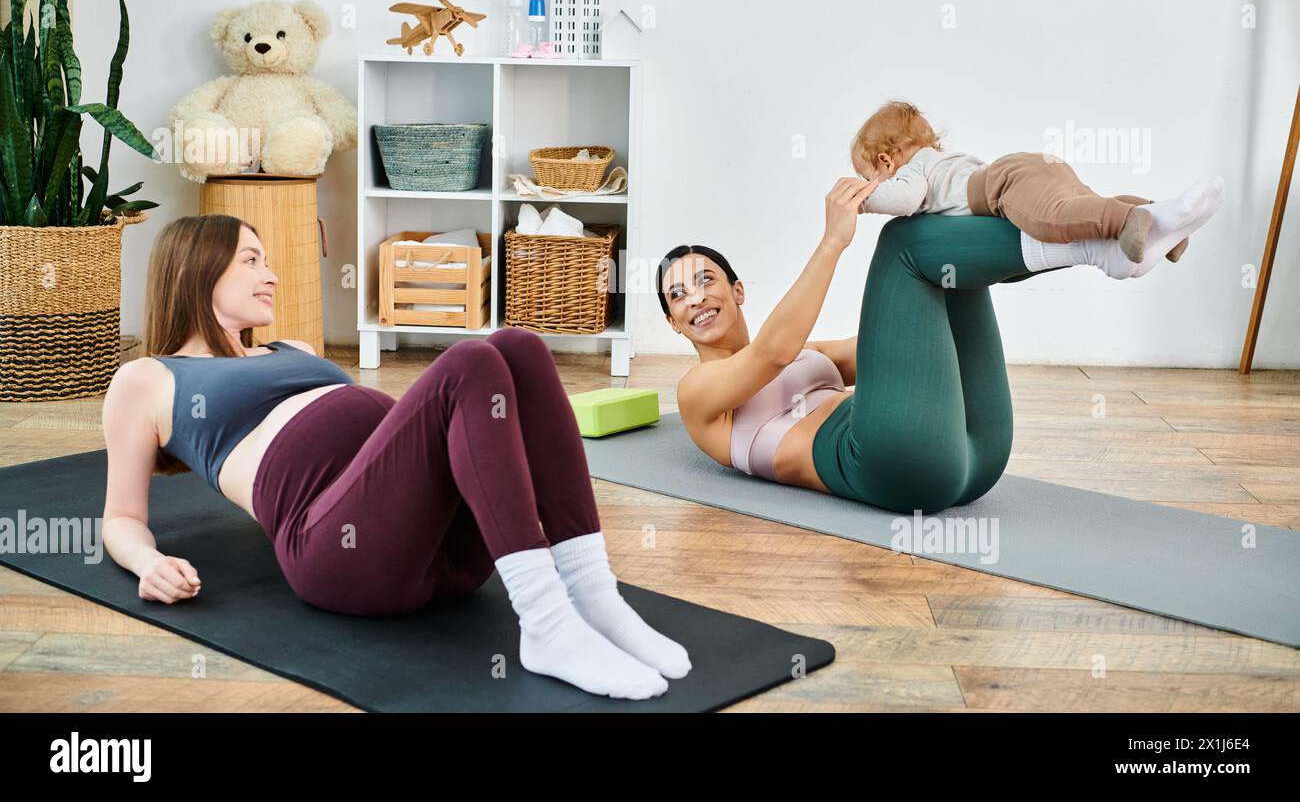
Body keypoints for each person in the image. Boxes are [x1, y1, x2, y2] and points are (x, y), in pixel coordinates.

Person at [101, 213, 689, 700]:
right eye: (251, 260)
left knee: (519, 346)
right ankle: (546, 624)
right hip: (342, 554)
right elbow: (121, 518)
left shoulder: (294, 346)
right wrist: (146, 566)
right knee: (471, 361)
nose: (271, 276)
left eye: (266, 260)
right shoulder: (150, 378)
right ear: (196, 266)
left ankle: (591, 595)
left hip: (444, 551)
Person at [659, 174, 1223, 513]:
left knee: (942, 260)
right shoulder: (699, 392)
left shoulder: (814, 356)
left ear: (737, 290)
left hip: (974, 459)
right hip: (887, 465)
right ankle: (1097, 244)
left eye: (706, 279)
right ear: (674, 325)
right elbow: (771, 354)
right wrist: (834, 240)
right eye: (678, 295)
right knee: (905, 241)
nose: (696, 298)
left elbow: (900, 339)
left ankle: (1116, 226)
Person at [849, 100, 1207, 265]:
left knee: (1051, 222)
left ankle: (1127, 220)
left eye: (871, 177)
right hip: (1033, 167)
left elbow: (905, 200)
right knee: (1082, 204)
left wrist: (861, 200)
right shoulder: (940, 160)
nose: (875, 184)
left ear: (887, 160)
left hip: (1003, 185)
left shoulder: (915, 169)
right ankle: (1156, 215)